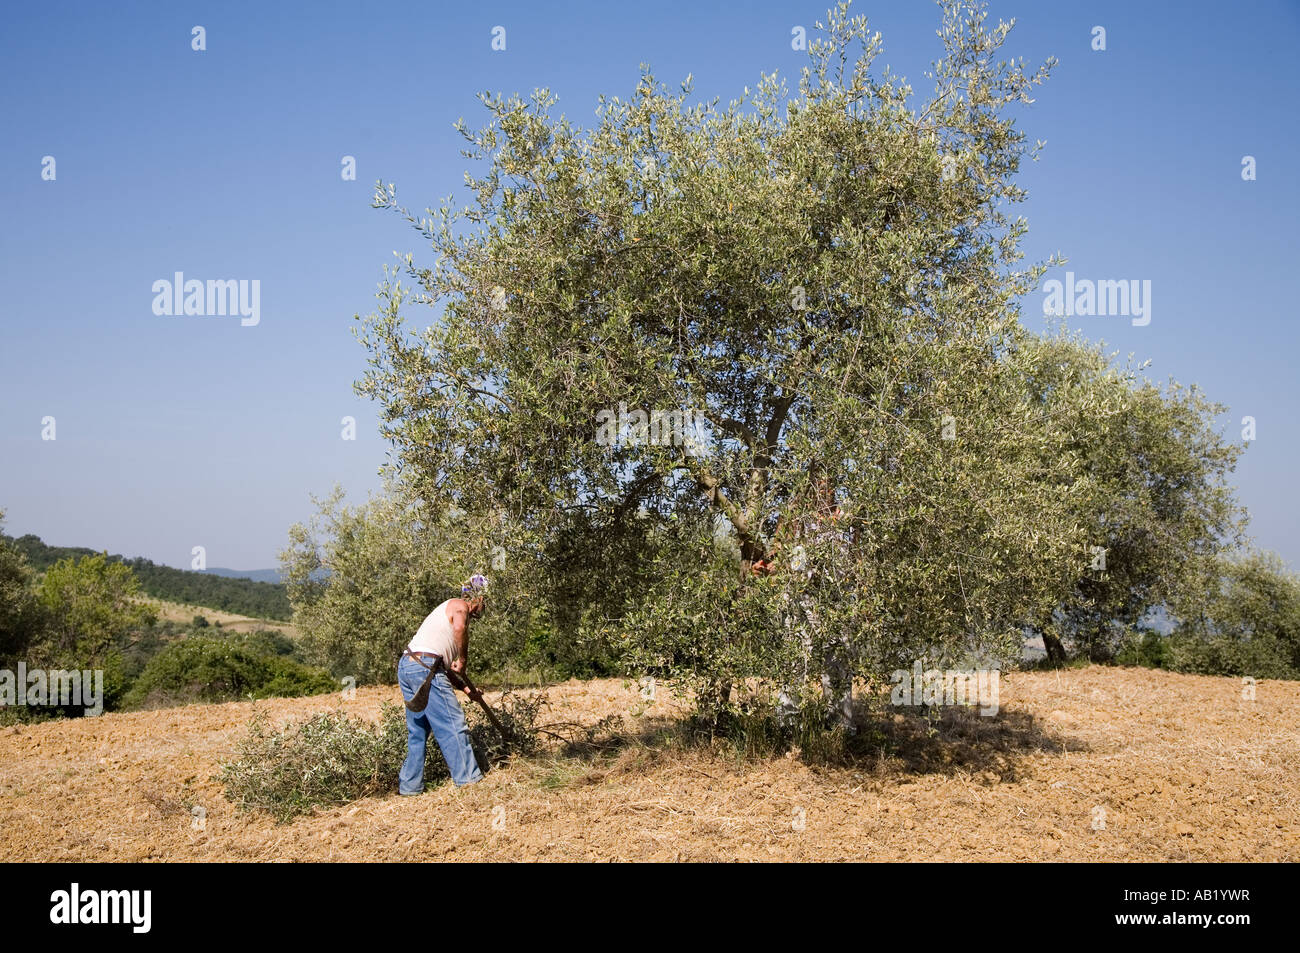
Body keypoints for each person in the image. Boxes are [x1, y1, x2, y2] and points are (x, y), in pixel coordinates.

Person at [397, 574, 489, 794]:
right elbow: (459, 630)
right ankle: (468, 781)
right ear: (477, 597)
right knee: (452, 725)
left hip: (409, 665)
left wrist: (467, 689)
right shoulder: (459, 607)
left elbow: (441, 667)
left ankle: (410, 788)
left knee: (418, 731)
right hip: (426, 667)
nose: (483, 608)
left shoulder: (442, 613)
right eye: (484, 602)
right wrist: (463, 660)